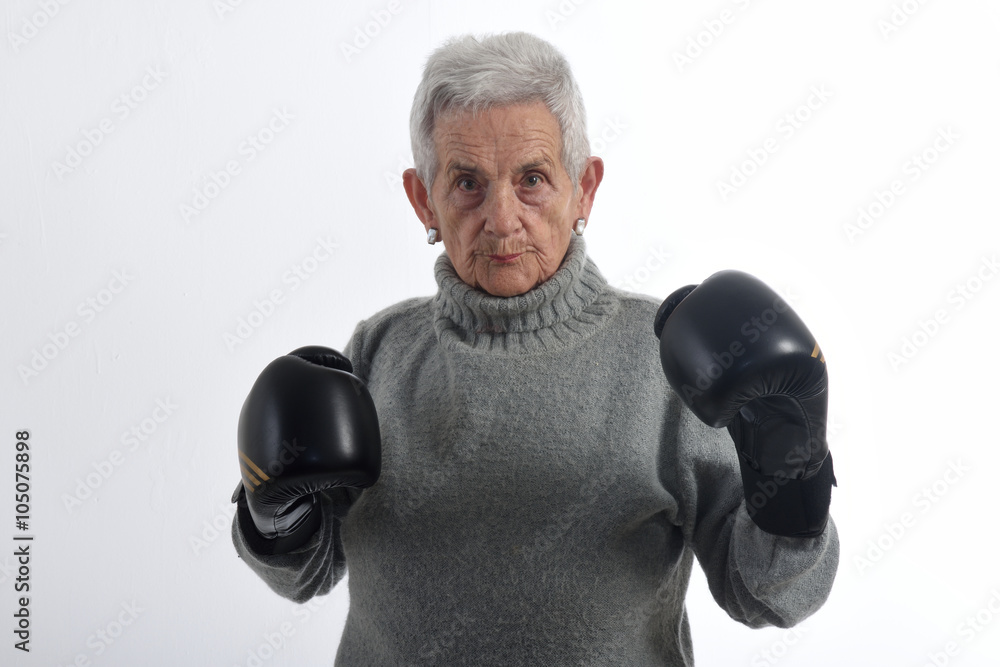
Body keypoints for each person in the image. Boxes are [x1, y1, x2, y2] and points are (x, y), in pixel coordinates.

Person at [230, 32, 839, 665]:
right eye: (466, 183)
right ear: (422, 200)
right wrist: (273, 511)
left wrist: (793, 473)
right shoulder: (377, 352)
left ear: (585, 189)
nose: (500, 217)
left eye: (532, 179)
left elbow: (770, 597)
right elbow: (301, 576)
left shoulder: (670, 359)